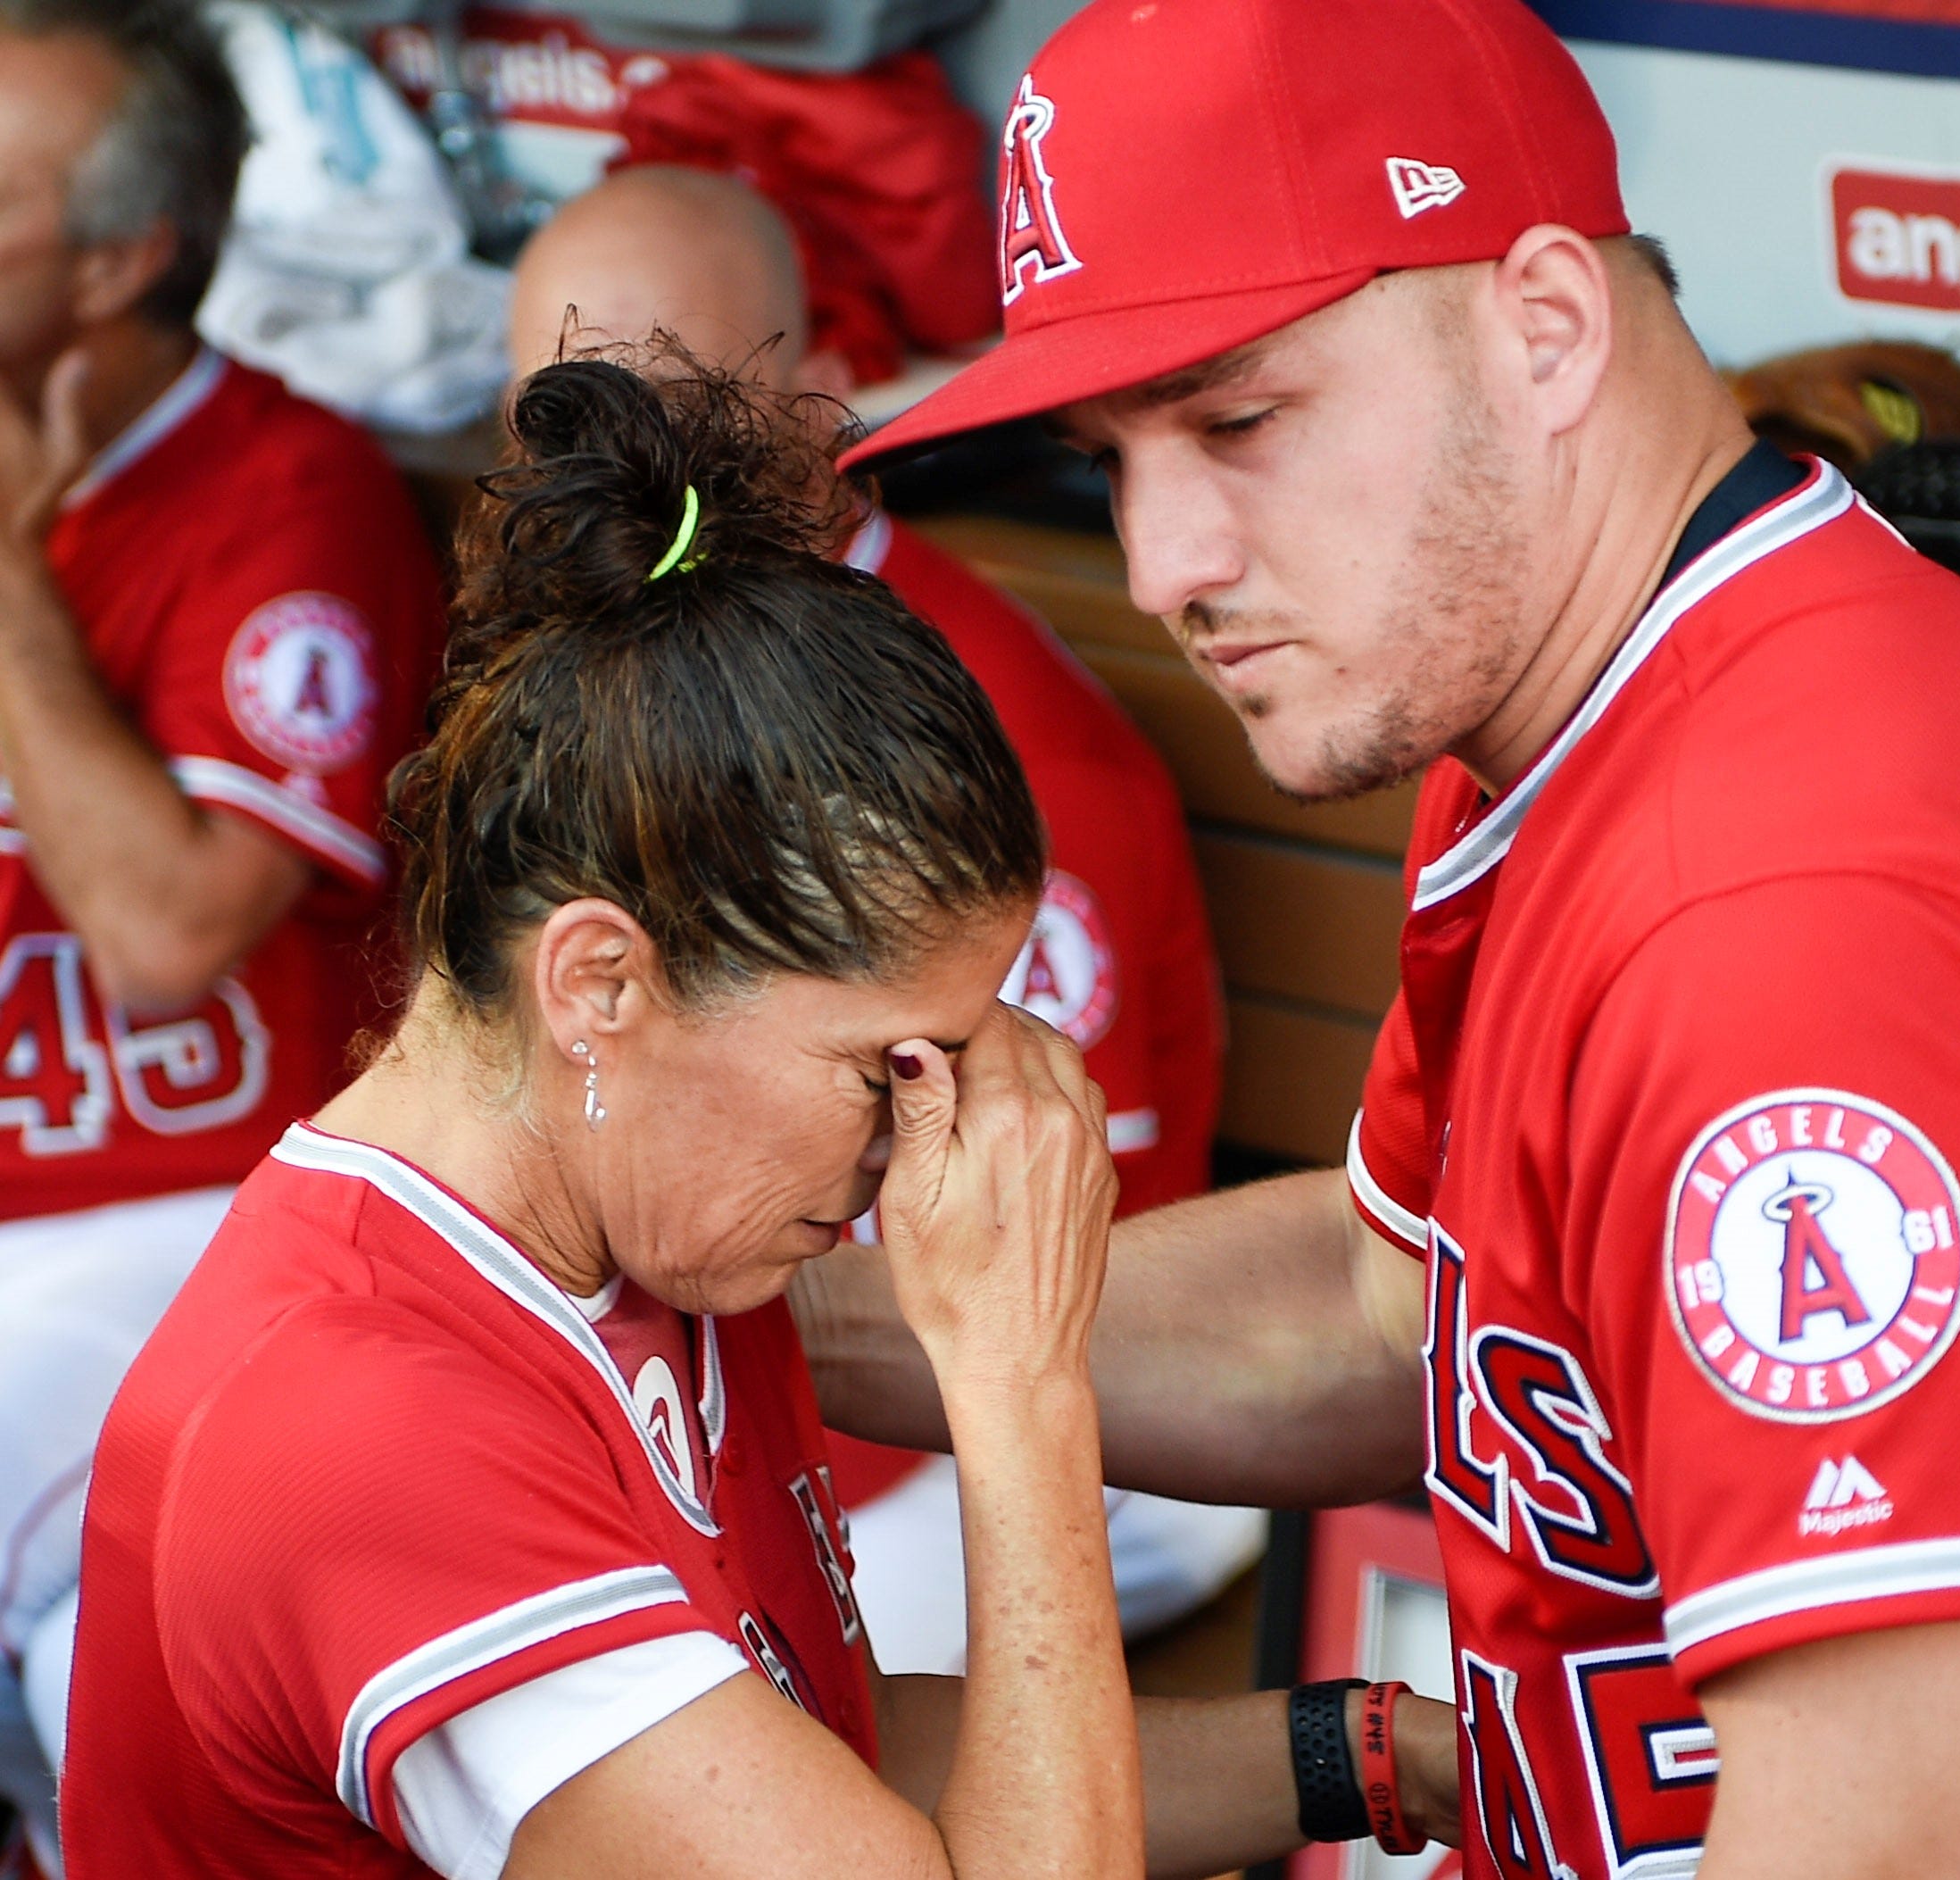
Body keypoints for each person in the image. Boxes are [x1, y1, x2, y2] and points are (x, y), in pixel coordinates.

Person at [802, 0, 1960, 1874]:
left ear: (1545, 327)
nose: (1163, 563)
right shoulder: (1606, 691)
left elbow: (1905, 1851)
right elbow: (1411, 1318)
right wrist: (740, 1306)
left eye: (1239, 420)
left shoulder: (1788, 922)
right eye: (1113, 453)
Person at [62, 352, 1458, 1879]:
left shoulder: (625, 1238)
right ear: (600, 979)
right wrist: (1019, 1396)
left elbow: (834, 1763)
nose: (904, 1145)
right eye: (883, 1067)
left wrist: (1395, 1754)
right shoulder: (367, 1431)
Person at [504, 163, 1255, 1673]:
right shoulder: (610, 668)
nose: (601, 484)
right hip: (716, 1356)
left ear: (822, 409)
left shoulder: (988, 751)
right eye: (556, 424)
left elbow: (1012, 1265)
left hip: (1039, 1408)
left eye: (662, 416)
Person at [0, 2, 443, 1868]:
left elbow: (174, 928)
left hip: (203, 1201)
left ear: (121, 260)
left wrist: (3, 581)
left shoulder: (286, 496)